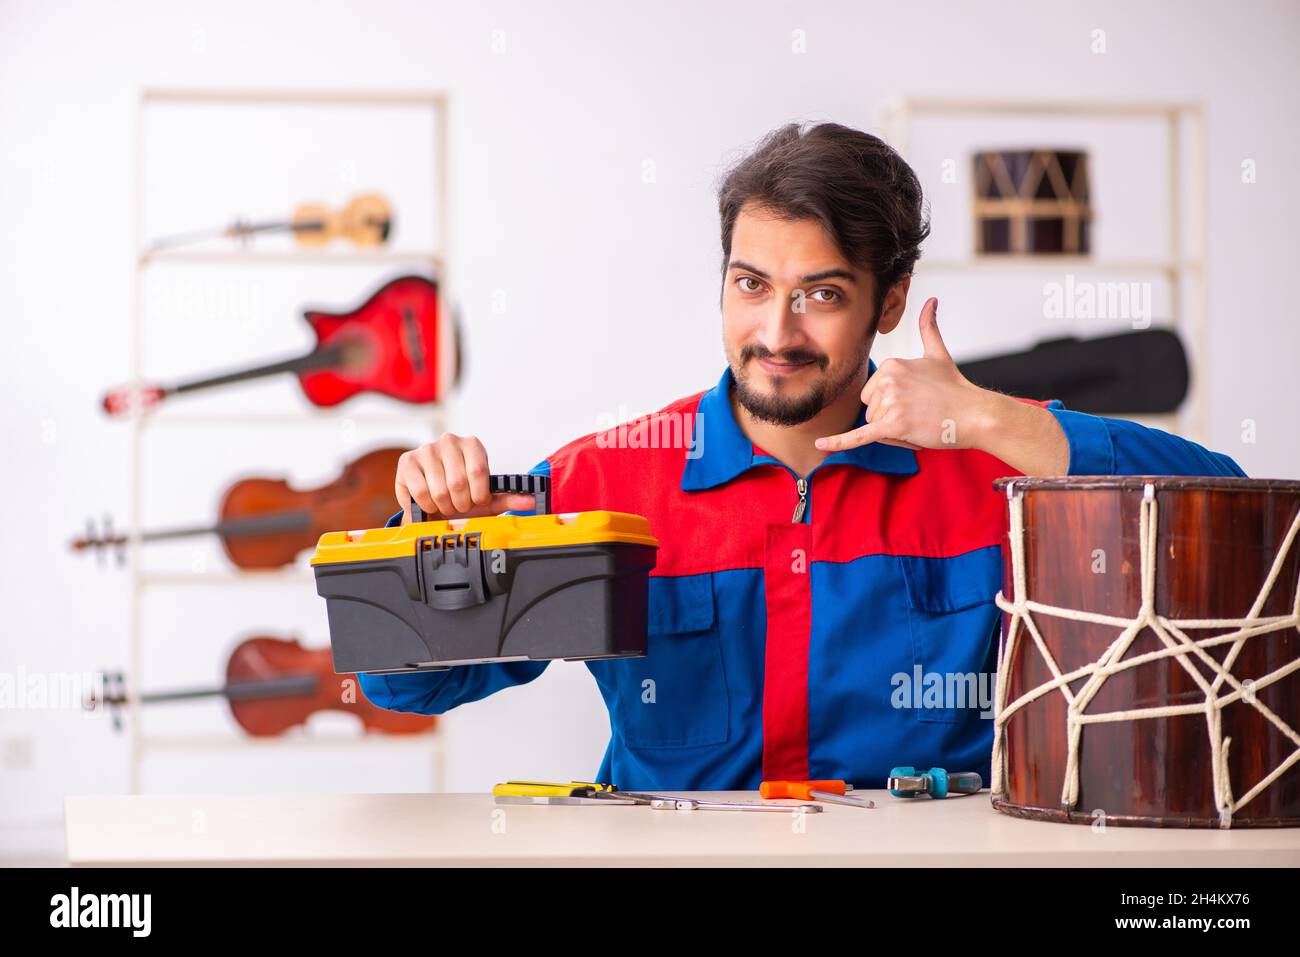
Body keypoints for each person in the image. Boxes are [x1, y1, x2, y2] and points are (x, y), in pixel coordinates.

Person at [361, 121, 1245, 791]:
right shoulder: (608, 482)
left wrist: (994, 420)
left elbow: (1229, 509)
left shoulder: (991, 464)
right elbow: (402, 688)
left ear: (890, 301)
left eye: (820, 293)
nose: (775, 333)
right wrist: (436, 541)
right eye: (751, 285)